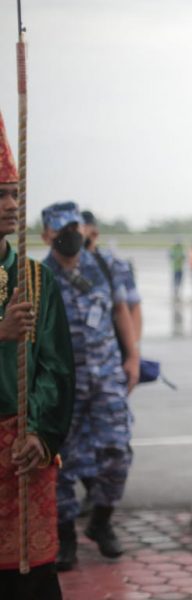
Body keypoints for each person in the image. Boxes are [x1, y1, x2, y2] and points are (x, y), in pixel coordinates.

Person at [40, 201, 139, 572]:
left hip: (107, 378)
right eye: (61, 230)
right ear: (46, 235)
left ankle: (101, 521)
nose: (70, 236)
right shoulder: (39, 276)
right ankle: (65, 536)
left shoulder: (104, 266)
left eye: (75, 228)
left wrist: (132, 357)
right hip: (63, 385)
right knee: (62, 461)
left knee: (117, 451)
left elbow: (121, 312)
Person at [0, 109, 74, 600]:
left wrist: (42, 433)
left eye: (12, 193)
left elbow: (55, 365)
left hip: (19, 450)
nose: (11, 203)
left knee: (27, 578)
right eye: (0, 195)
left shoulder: (35, 278)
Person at [80, 210, 143, 345]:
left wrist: (133, 348)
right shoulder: (68, 267)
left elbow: (134, 306)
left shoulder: (113, 264)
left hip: (110, 347)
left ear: (95, 233)